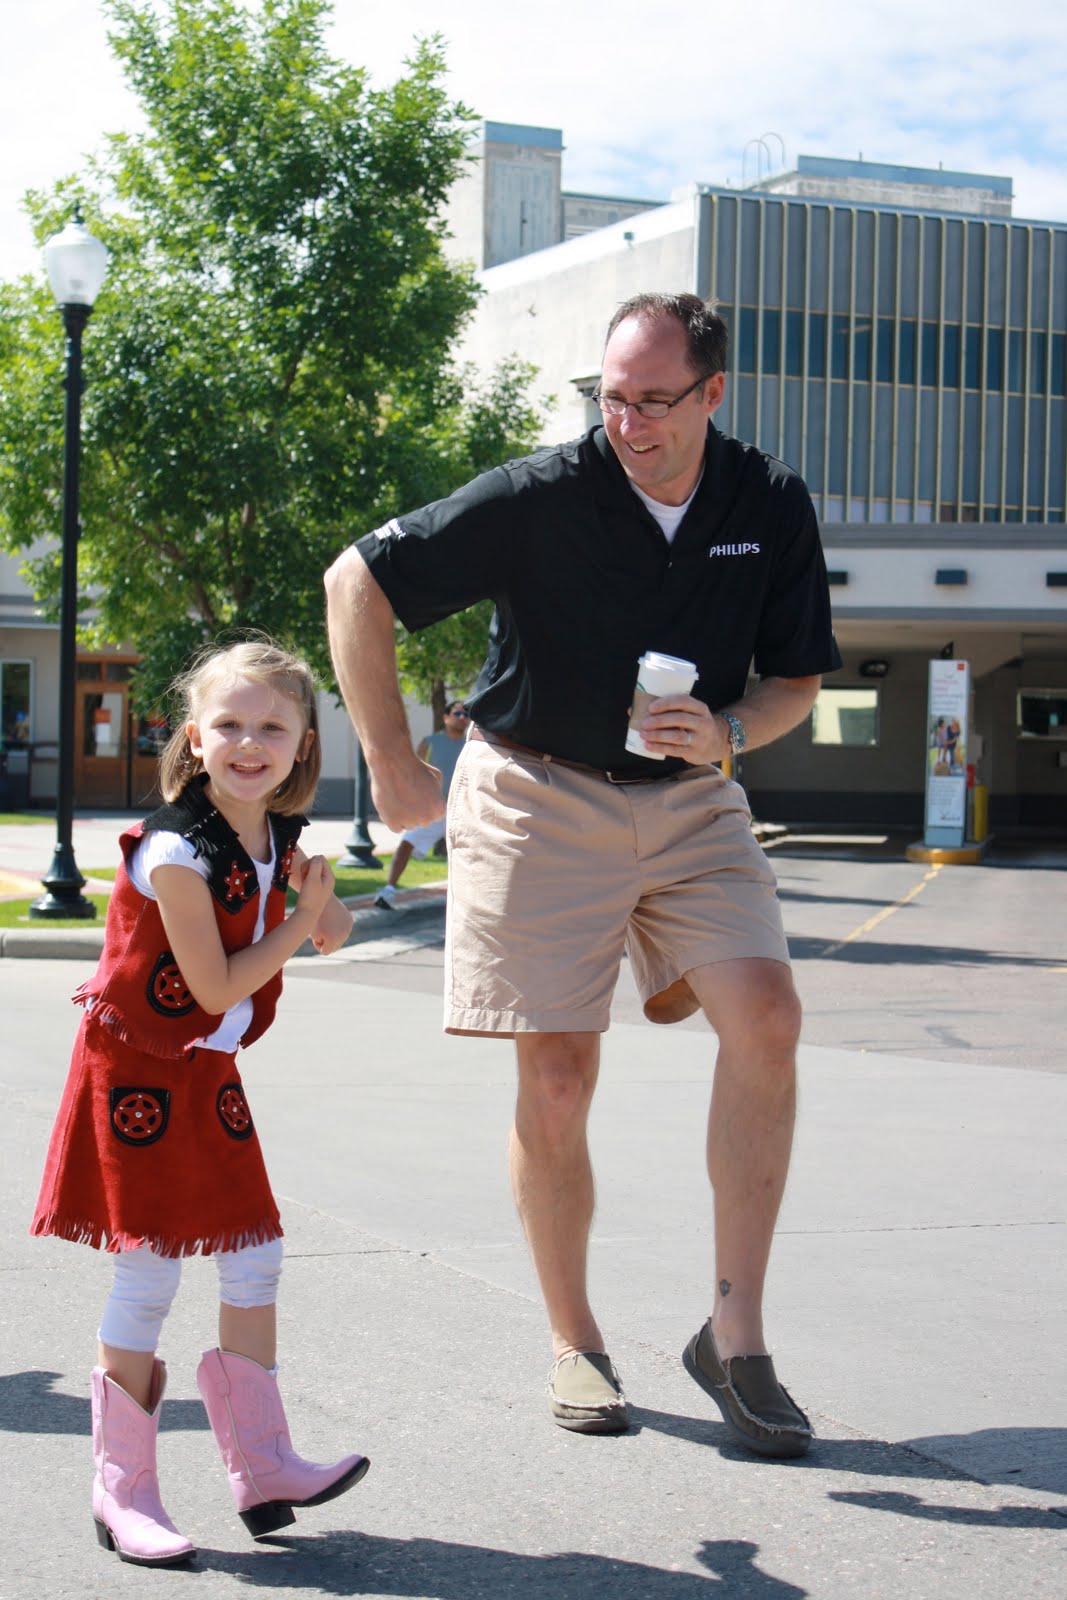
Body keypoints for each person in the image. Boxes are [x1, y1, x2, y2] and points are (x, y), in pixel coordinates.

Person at [324, 292, 842, 1460]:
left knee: (765, 1016)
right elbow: (354, 580)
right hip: (535, 788)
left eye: (652, 399)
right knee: (557, 1077)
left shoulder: (767, 502)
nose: (626, 420)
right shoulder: (538, 495)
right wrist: (398, 765)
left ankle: (735, 1335)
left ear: (713, 392)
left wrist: (731, 734)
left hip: (690, 796)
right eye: (608, 396)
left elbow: (792, 681)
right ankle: (573, 1337)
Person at [31, 639, 368, 1567]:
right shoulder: (177, 847)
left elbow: (334, 932)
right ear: (194, 737)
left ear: (305, 744)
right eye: (229, 724)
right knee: (150, 1271)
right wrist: (301, 918)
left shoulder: (273, 837)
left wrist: (314, 893)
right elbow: (217, 987)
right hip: (137, 1069)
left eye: (273, 725)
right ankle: (122, 1493)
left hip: (200, 1070)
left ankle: (262, 1468)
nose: (249, 742)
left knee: (253, 1250)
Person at [374, 699, 470, 909]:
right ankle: (388, 891)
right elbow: (415, 771)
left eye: (466, 714)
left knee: (465, 855)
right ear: (445, 718)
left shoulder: (471, 747)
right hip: (435, 809)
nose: (462, 718)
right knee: (406, 843)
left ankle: (464, 901)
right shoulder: (430, 742)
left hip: (463, 811)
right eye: (457, 713)